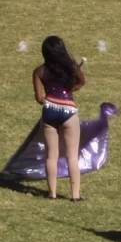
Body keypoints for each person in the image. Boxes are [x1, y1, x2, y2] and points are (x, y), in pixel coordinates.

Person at [32, 36, 86, 200]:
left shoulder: (39, 71)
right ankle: (75, 196)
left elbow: (40, 97)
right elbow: (81, 82)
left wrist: (51, 97)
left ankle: (52, 193)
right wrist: (68, 91)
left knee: (51, 156)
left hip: (49, 112)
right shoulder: (72, 67)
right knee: (71, 156)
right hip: (69, 112)